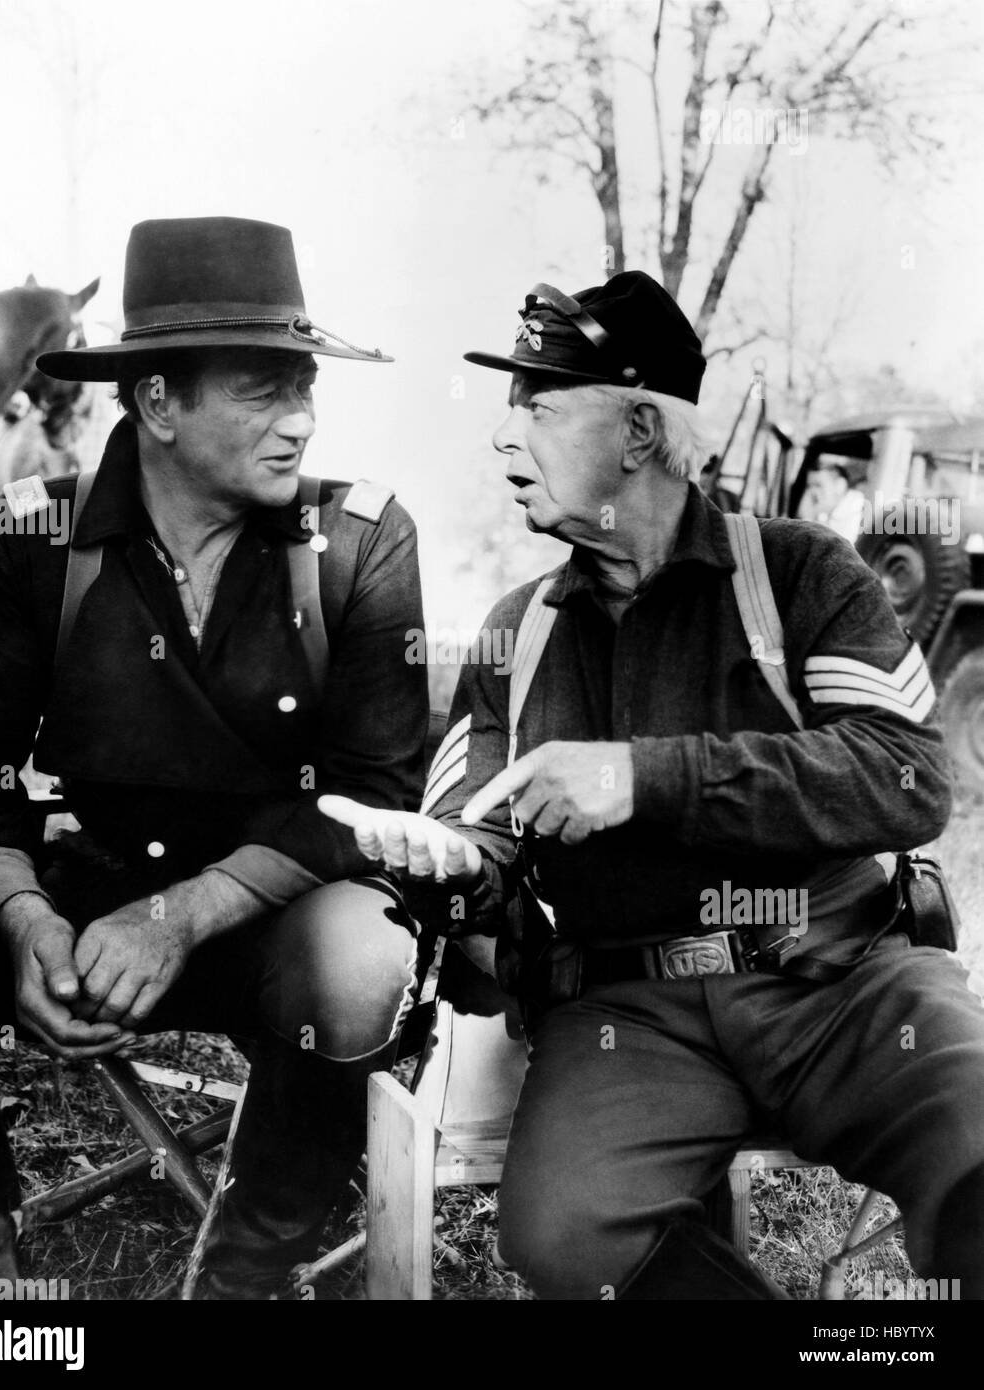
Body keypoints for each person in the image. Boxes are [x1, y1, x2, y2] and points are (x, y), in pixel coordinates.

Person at [322, 270, 984, 1300]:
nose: (504, 440)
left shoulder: (803, 574)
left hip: (843, 979)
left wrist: (647, 778)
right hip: (630, 1011)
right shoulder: (516, 632)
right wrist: (448, 861)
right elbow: (482, 841)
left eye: (536, 409)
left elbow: (907, 779)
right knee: (564, 1233)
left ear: (637, 433)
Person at [0, 216, 428, 1300]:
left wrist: (183, 916)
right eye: (262, 390)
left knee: (362, 952)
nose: (300, 421)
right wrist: (21, 923)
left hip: (269, 921)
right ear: (156, 402)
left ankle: (249, 1268)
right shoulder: (27, 540)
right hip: (78, 910)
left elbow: (375, 796)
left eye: (306, 388)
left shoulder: (355, 545)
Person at [805, 455, 867, 544]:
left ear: (840, 486)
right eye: (809, 486)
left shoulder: (858, 509)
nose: (812, 492)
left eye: (818, 485)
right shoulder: (827, 516)